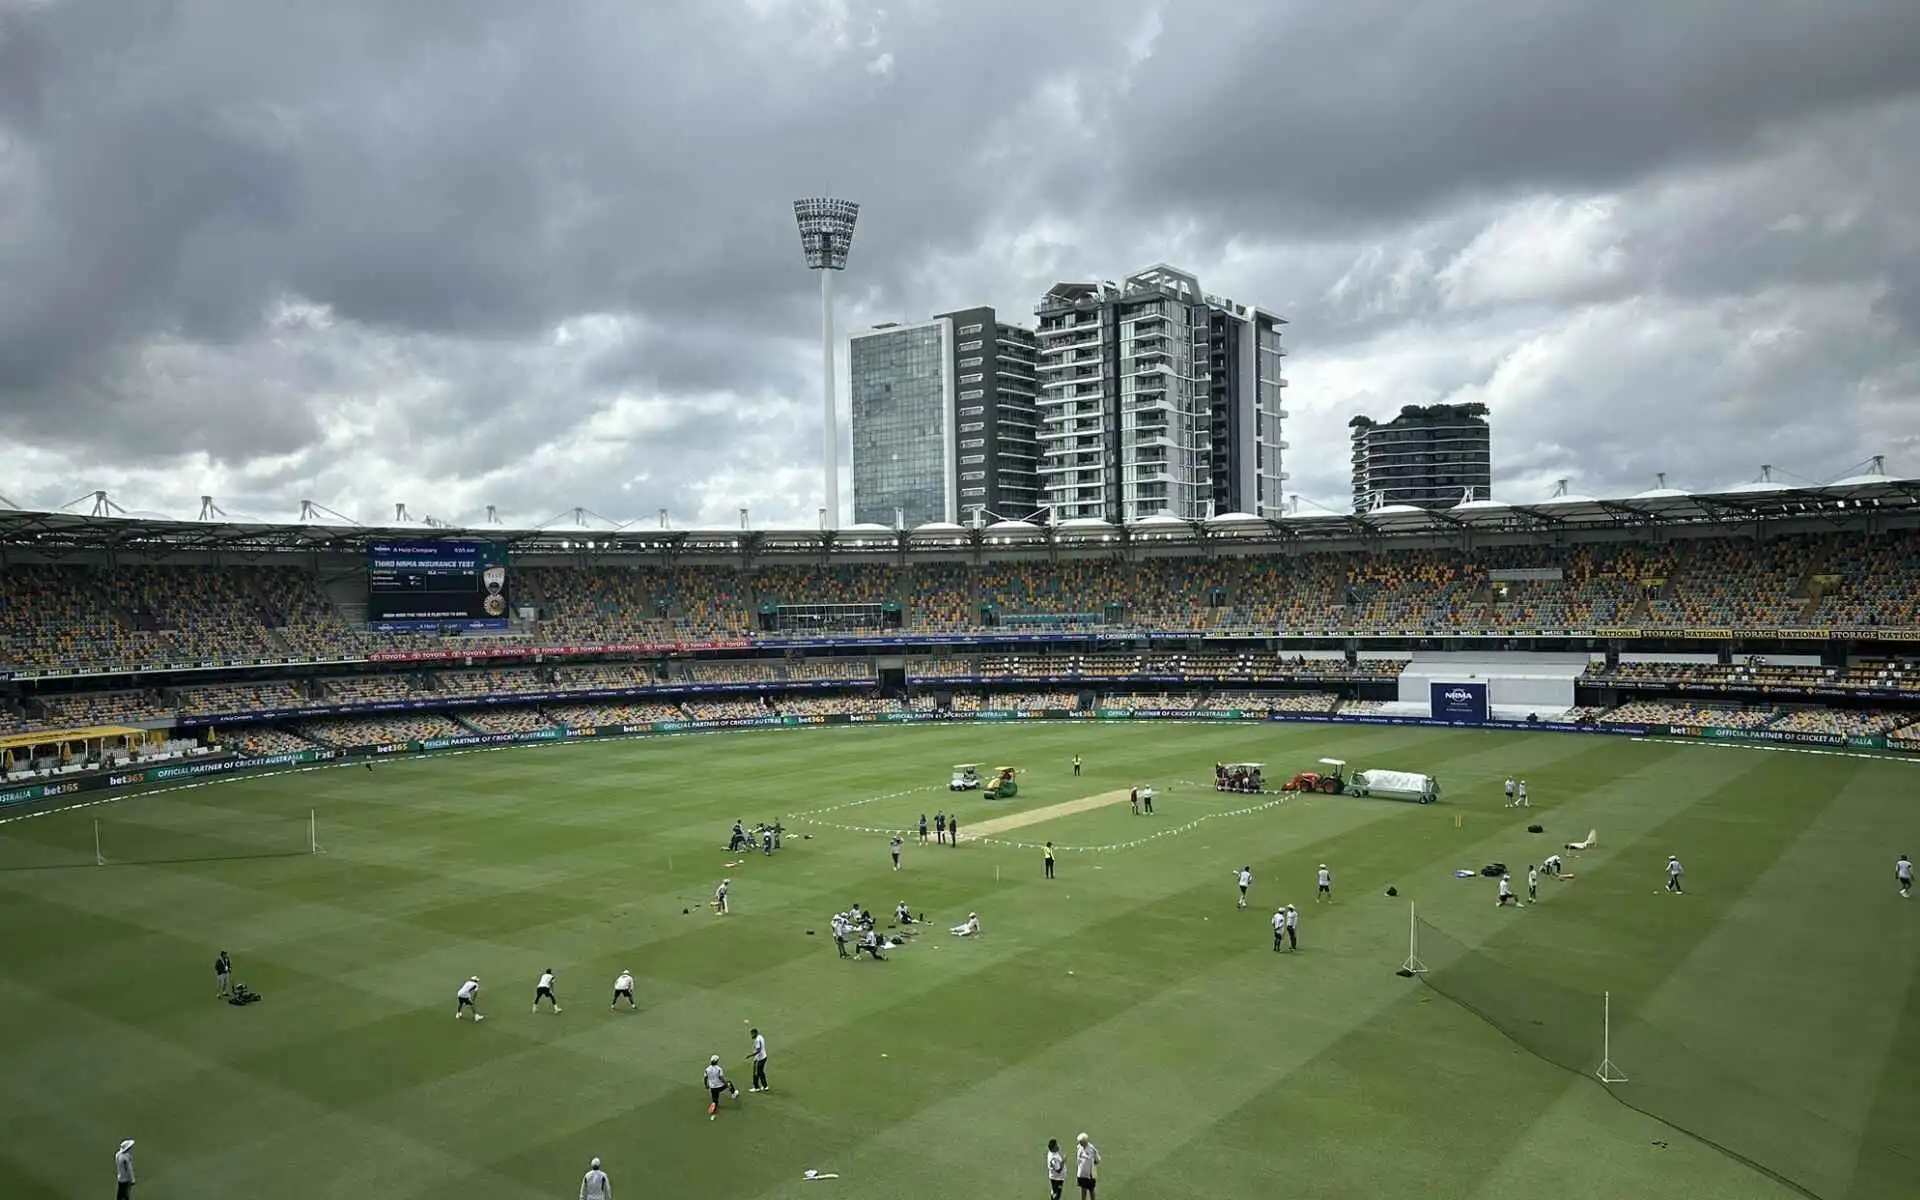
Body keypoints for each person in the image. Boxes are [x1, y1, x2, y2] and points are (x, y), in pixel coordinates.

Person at [704, 1054, 739, 1119]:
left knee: (715, 1101)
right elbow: (721, 1078)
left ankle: (714, 1112)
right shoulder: (719, 1069)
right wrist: (726, 1084)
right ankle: (733, 1094)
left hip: (712, 1088)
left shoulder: (707, 1069)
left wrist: (706, 1085)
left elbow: (705, 1078)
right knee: (729, 1083)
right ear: (717, 1061)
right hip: (719, 1087)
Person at [1074, 1132, 1100, 1198]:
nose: (1080, 1143)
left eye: (1081, 1142)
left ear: (1085, 1141)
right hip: (1081, 1173)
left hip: (1090, 1175)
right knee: (1083, 1189)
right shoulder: (1079, 1147)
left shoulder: (1092, 1149)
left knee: (1091, 1190)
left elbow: (1097, 1160)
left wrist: (1091, 1166)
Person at [747, 1028, 769, 1092]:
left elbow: (758, 1050)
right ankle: (765, 1086)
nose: (751, 1035)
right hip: (764, 1057)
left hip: (759, 1059)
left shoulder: (757, 1040)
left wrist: (750, 1055)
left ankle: (756, 1087)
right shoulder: (760, 1037)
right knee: (761, 1072)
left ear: (755, 1033)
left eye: (752, 1034)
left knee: (756, 1073)